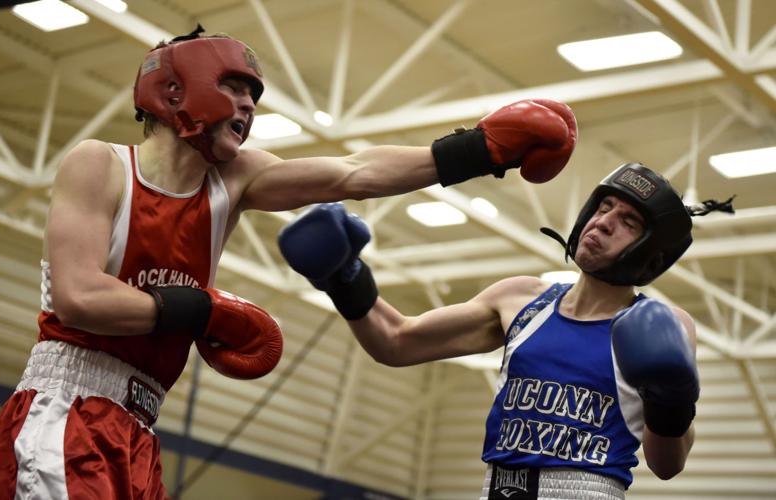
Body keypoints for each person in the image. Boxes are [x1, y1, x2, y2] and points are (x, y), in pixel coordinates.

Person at [0, 24, 578, 499]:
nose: (247, 105)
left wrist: (477, 148)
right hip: (68, 407)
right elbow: (79, 297)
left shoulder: (234, 179)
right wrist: (208, 311)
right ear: (177, 87)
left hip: (139, 427)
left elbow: (354, 173)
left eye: (253, 96)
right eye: (236, 88)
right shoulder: (101, 164)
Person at [278, 162, 734, 499]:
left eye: (628, 221)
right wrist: (346, 279)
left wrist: (671, 401)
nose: (604, 222)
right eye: (605, 207)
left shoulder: (664, 325)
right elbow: (397, 341)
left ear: (650, 252)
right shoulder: (521, 298)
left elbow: (667, 464)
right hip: (495, 489)